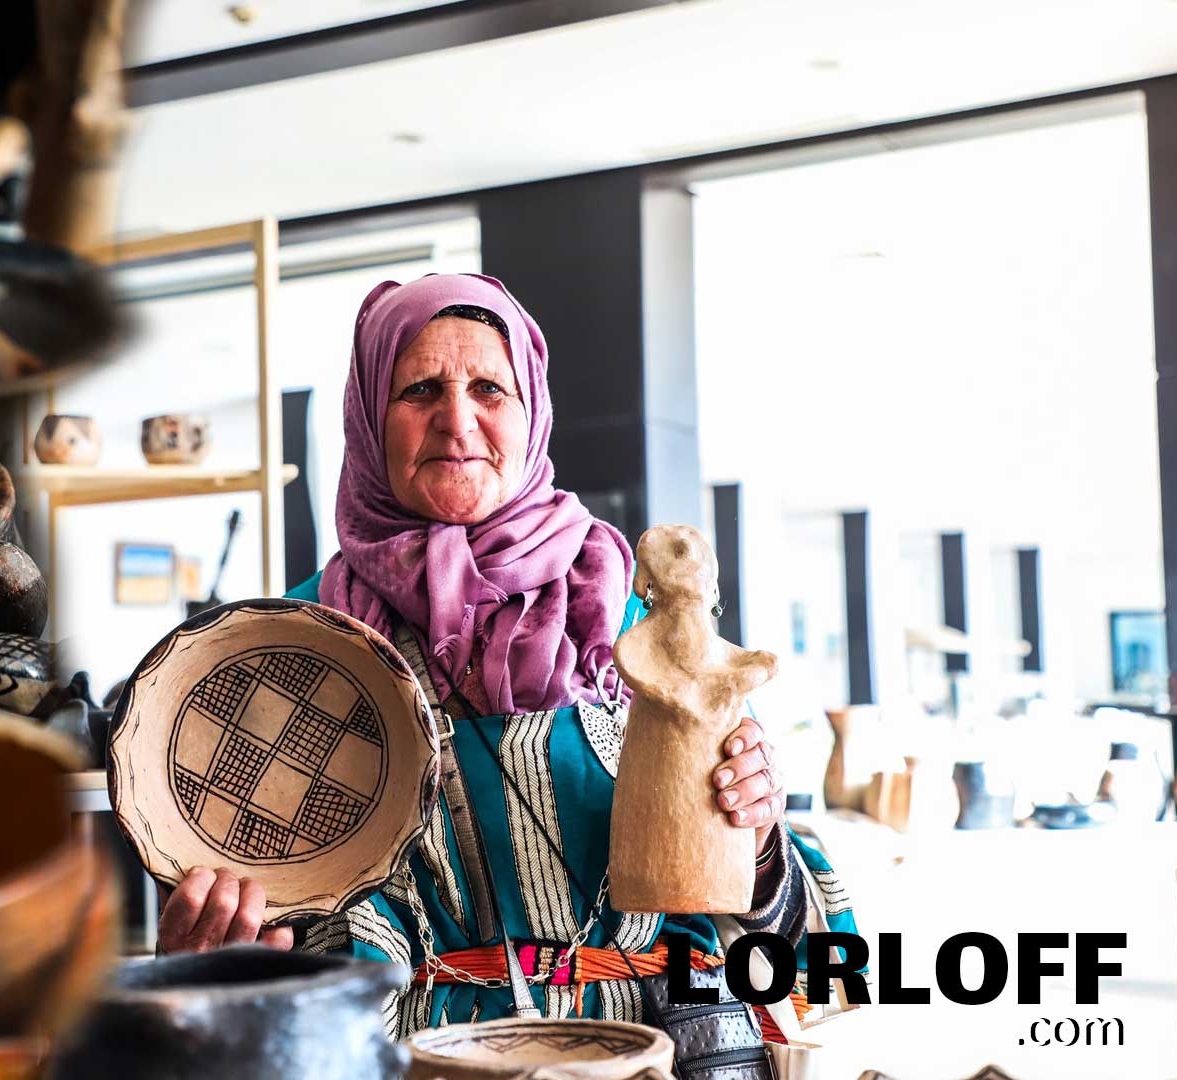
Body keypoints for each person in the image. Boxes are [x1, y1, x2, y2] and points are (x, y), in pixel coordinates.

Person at [155, 273, 858, 1035]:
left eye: (490, 388)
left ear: (533, 414)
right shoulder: (296, 648)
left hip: (653, 1048)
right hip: (413, 1057)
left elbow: (799, 953)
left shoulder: (643, 629)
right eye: (419, 390)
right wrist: (218, 953)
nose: (457, 422)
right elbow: (262, 930)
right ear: (367, 419)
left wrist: (755, 846)